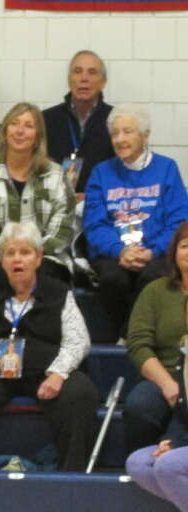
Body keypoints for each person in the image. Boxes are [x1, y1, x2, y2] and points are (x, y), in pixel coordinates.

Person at [0, 221, 97, 474]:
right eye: (10, 253)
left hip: (46, 371)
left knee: (80, 393)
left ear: (38, 258)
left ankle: (71, 476)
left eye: (25, 253)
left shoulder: (59, 292)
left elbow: (78, 340)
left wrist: (59, 374)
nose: (18, 259)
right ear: (2, 259)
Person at [83, 104, 188, 342]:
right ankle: (122, 335)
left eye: (128, 131)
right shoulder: (101, 172)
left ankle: (135, 336)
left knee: (152, 276)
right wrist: (121, 251)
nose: (120, 139)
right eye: (115, 133)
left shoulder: (166, 168)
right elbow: (94, 225)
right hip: (114, 253)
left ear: (145, 135)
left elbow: (179, 221)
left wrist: (151, 251)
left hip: (155, 252)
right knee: (112, 279)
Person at [0, 102, 76, 285]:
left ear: (38, 137)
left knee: (45, 276)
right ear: (4, 131)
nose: (20, 131)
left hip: (47, 257)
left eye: (28, 126)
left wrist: (31, 255)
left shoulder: (56, 176)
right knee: (7, 275)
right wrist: (13, 254)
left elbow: (63, 231)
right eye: (14, 123)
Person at [123, 220, 188, 455]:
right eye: (185, 245)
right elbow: (139, 344)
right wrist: (168, 385)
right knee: (140, 406)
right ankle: (143, 466)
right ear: (174, 253)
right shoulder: (155, 291)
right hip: (165, 374)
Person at [43, 50, 114, 199]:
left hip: (101, 206)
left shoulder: (115, 120)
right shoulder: (46, 119)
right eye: (77, 71)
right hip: (54, 205)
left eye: (92, 72)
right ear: (69, 80)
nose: (84, 78)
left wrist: (90, 197)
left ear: (103, 82)